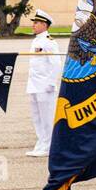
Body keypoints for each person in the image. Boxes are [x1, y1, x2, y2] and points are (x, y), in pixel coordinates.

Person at [25, 9, 62, 157]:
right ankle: (41, 143)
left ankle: (48, 146)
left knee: (47, 117)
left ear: (45, 25)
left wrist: (51, 83)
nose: (33, 25)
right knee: (37, 116)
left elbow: (55, 63)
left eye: (37, 23)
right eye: (34, 22)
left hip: (45, 86)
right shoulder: (36, 41)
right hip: (34, 85)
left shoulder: (49, 42)